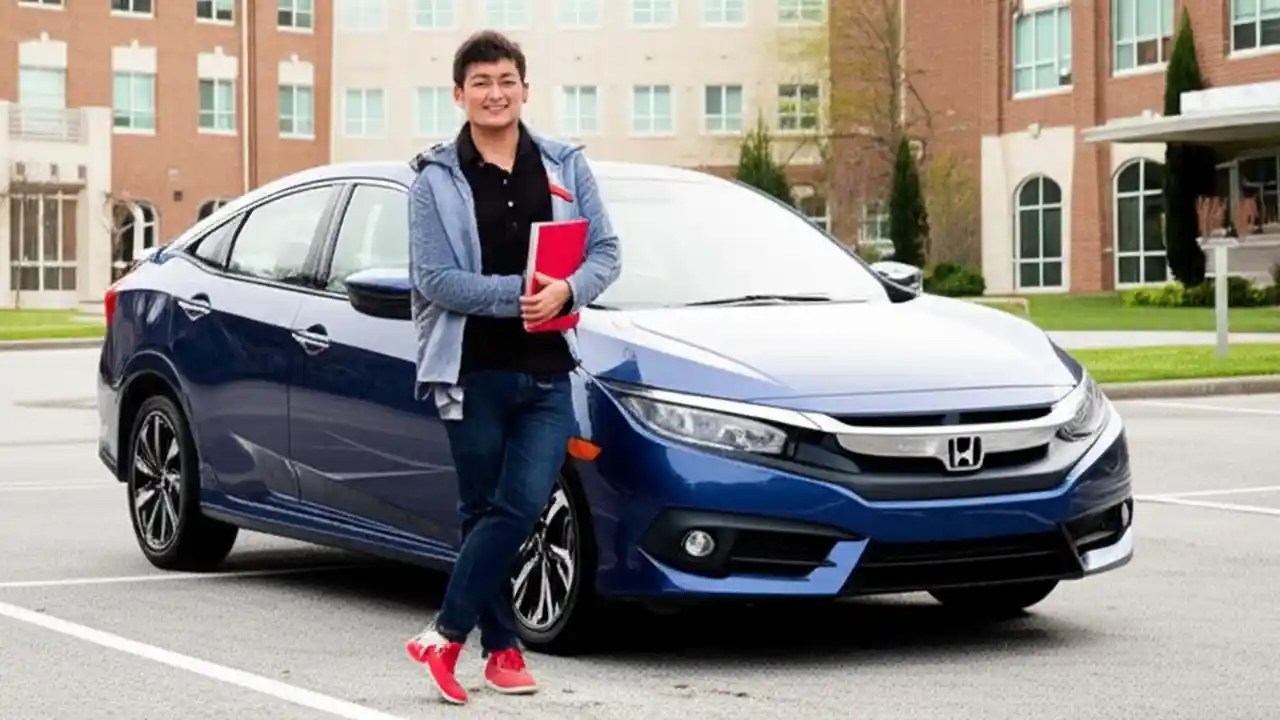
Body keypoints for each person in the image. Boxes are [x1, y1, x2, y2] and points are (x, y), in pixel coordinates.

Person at [402, 29, 621, 705]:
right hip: (472, 371)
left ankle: (443, 634)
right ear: (459, 95)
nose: (494, 94)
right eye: (481, 83)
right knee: (481, 511)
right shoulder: (434, 180)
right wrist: (520, 296)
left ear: (525, 88)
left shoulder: (564, 165)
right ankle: (501, 651)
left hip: (548, 369)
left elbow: (607, 253)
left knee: (521, 505)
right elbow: (435, 279)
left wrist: (569, 291)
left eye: (506, 81)